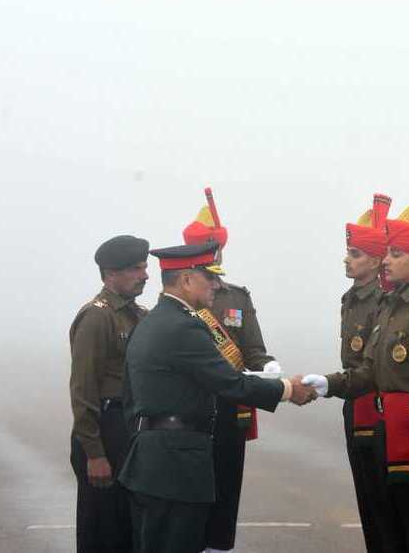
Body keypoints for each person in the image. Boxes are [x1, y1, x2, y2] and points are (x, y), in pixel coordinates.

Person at [118, 241, 316, 553]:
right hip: (177, 466)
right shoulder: (183, 327)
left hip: (152, 460)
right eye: (208, 277)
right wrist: (288, 389)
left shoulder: (152, 322)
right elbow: (229, 384)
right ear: (185, 280)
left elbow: (128, 397)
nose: (216, 284)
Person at [304, 183, 409, 552]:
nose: (386, 260)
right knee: (386, 515)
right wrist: (327, 383)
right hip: (387, 422)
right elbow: (369, 368)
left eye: (394, 253)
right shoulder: (392, 306)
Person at [181, 189, 284, 553]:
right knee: (190, 492)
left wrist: (267, 366)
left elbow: (253, 350)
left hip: (230, 408)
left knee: (226, 487)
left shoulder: (237, 297)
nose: (215, 256)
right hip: (191, 410)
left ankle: (219, 546)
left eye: (217, 249)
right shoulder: (179, 300)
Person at [69, 234, 150, 553]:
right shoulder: (96, 316)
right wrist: (94, 453)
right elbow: (83, 388)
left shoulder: (139, 314)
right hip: (105, 430)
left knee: (130, 528)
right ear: (111, 273)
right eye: (136, 268)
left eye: (144, 267)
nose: (145, 274)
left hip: (130, 428)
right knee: (102, 529)